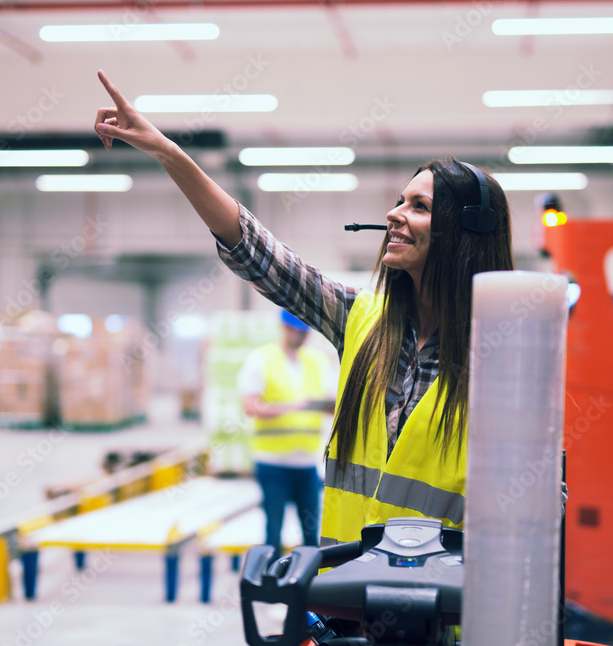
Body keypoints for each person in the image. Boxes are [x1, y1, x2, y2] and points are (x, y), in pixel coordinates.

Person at [93, 69, 515, 548]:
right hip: (349, 592)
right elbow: (257, 252)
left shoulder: (502, 354)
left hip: (442, 607)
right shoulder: (363, 321)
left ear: (464, 235)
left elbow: (531, 503)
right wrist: (168, 154)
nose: (395, 213)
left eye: (419, 206)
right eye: (399, 201)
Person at [237, 308, 335, 557]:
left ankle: (311, 586)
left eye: (305, 332)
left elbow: (327, 403)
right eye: (296, 330)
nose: (300, 336)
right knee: (274, 530)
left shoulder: (316, 361)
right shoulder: (261, 360)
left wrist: (332, 406)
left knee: (311, 534)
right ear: (283, 328)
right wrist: (294, 406)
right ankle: (271, 583)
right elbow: (250, 406)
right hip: (272, 462)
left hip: (306, 462)